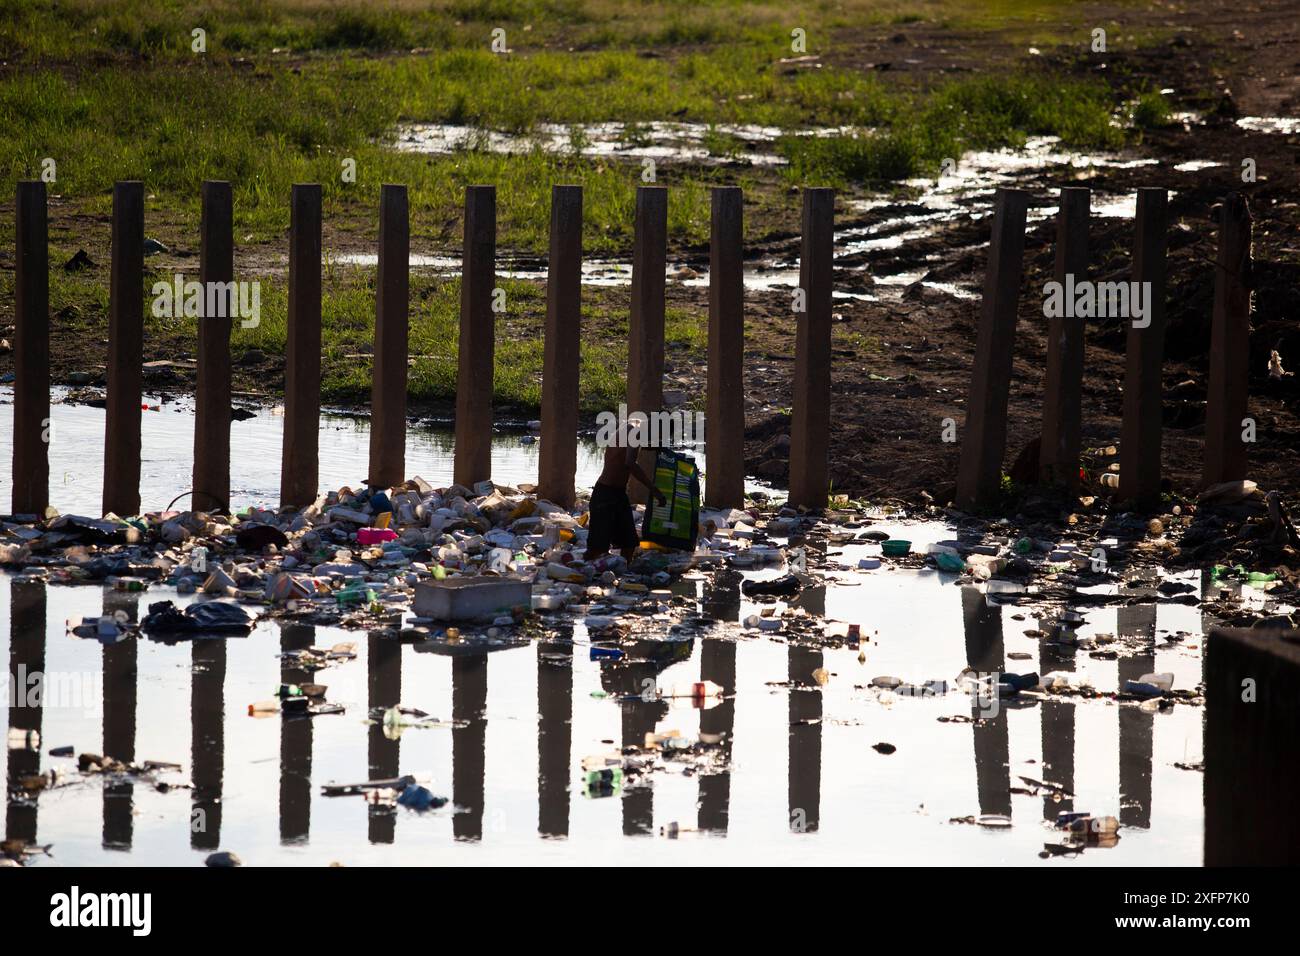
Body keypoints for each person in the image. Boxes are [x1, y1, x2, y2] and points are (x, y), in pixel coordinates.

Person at [584, 425, 666, 562]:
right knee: (597, 548)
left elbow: (630, 449)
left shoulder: (632, 432)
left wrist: (656, 448)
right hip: (605, 494)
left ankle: (623, 573)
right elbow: (630, 463)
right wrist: (654, 490)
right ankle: (582, 569)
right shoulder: (632, 432)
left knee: (629, 544)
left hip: (619, 494)